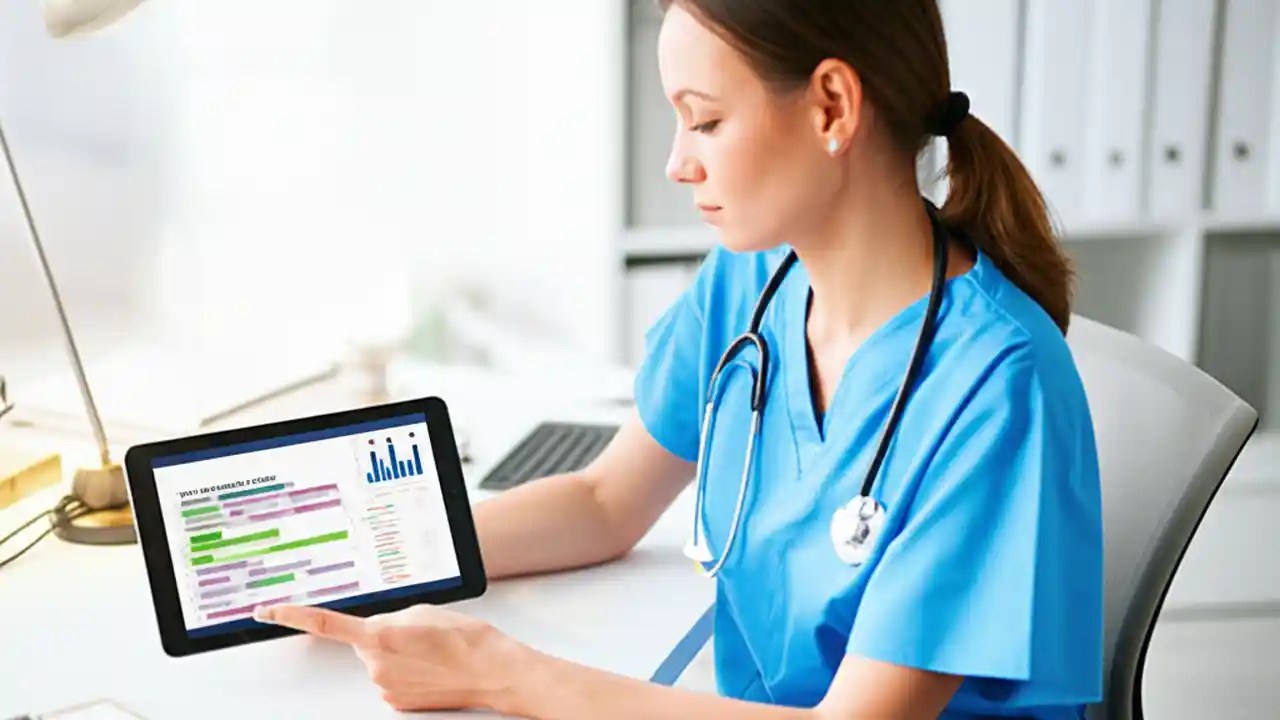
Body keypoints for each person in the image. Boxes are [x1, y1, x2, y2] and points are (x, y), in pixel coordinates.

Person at [254, 1, 1104, 717]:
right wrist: (363, 555)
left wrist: (501, 672)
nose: (677, 160)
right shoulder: (753, 280)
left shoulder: (997, 385)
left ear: (833, 107)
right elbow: (603, 503)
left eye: (705, 119)